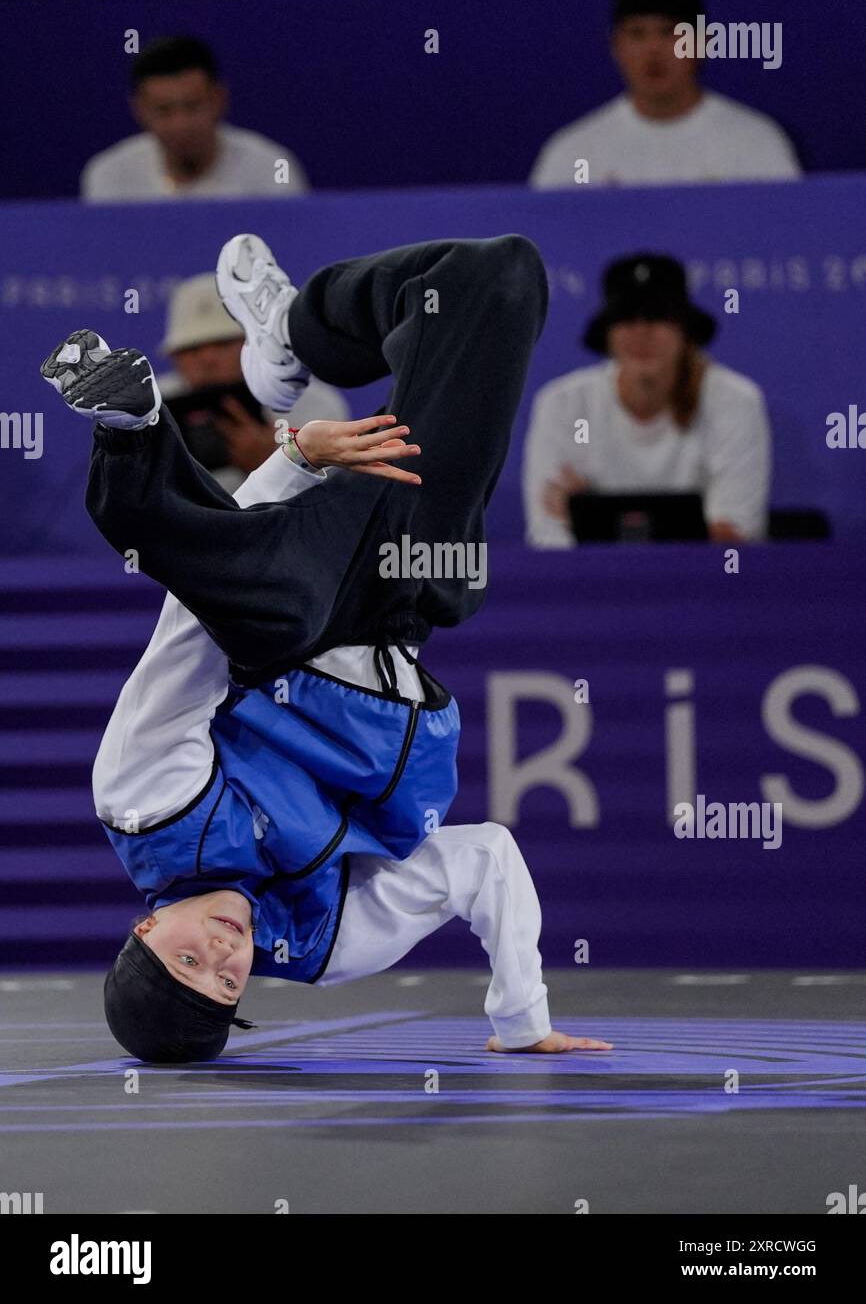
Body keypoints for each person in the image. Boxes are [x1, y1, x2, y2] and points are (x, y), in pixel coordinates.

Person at [41, 231, 612, 1063]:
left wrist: (295, 459)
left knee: (223, 590)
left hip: (295, 620)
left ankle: (134, 433)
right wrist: (523, 1023)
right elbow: (484, 858)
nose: (224, 953)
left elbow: (191, 630)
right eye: (226, 981)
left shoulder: (142, 803)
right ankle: (296, 332)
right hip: (410, 595)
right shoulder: (327, 944)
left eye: (188, 958)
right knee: (494, 280)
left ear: (148, 923)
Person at [522, 253, 771, 547]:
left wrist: (590, 521)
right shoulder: (564, 404)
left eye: (658, 316)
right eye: (626, 318)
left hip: (704, 590)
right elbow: (548, 533)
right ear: (607, 334)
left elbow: (735, 536)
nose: (642, 331)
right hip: (594, 588)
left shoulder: (735, 402)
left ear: (684, 331)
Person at [529, 0, 801, 189]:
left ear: (704, 43)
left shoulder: (754, 141)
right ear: (616, 46)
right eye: (637, 35)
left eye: (670, 33)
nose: (653, 50)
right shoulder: (574, 152)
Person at [158, 272, 348, 493]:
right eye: (192, 349)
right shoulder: (149, 409)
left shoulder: (312, 406)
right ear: (174, 358)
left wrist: (278, 466)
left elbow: (336, 502)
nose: (207, 359)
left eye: (222, 343)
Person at [80, 37, 309, 202]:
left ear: (218, 98)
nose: (181, 124)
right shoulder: (109, 176)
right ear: (139, 110)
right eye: (164, 110)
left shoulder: (273, 169)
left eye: (193, 106)